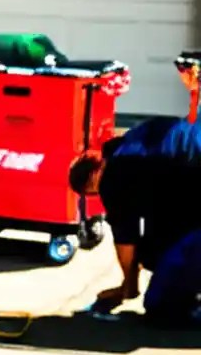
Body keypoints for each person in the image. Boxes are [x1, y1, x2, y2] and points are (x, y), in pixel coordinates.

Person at [69, 117, 201, 325]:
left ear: (92, 179)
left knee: (161, 306)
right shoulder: (133, 143)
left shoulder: (113, 177)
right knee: (154, 252)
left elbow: (125, 240)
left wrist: (128, 288)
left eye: (93, 193)